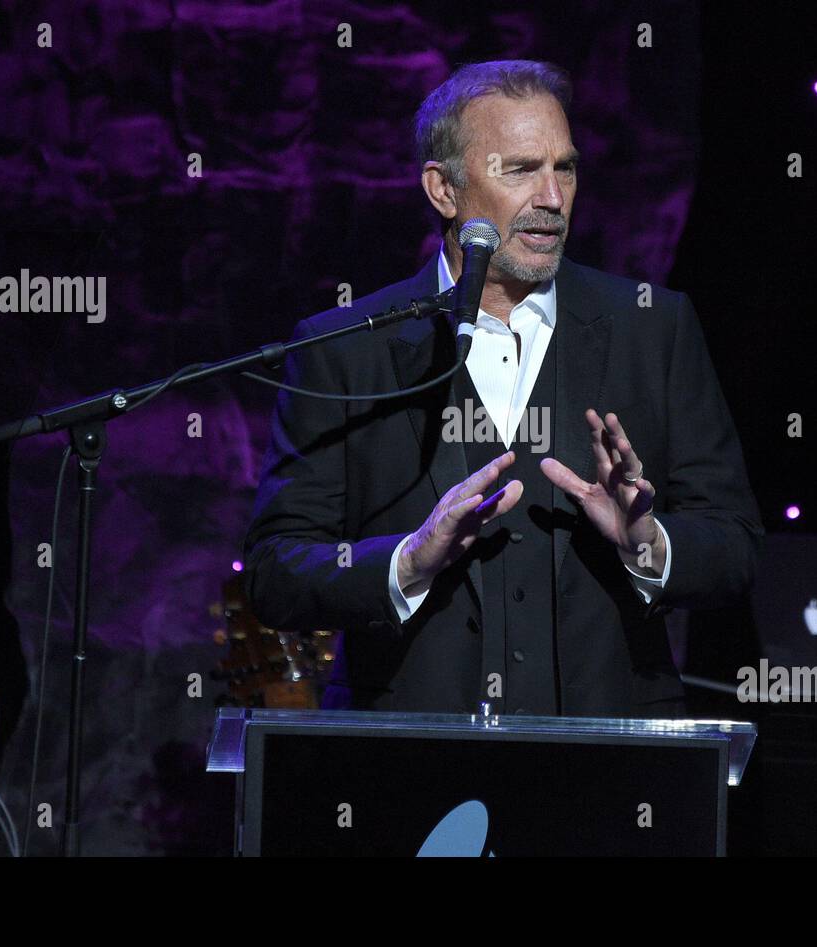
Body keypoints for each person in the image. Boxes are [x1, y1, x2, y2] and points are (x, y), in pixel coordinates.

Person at [244, 60, 762, 717]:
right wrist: (408, 560)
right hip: (407, 763)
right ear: (444, 190)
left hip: (609, 764)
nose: (552, 197)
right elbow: (275, 570)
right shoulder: (347, 349)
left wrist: (649, 543)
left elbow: (737, 544)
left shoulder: (653, 329)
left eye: (565, 168)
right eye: (520, 169)